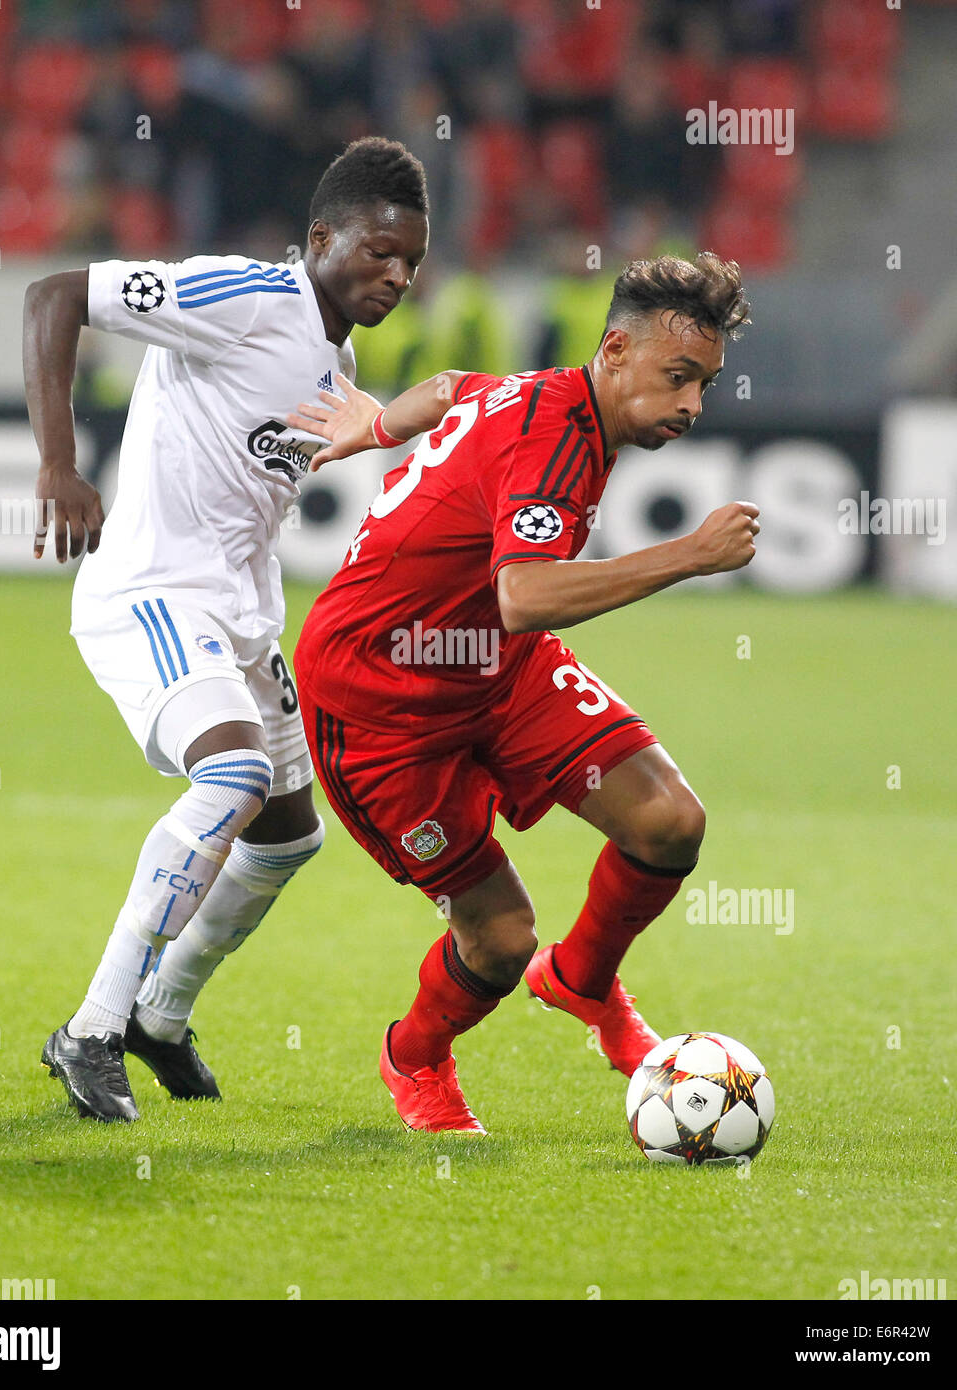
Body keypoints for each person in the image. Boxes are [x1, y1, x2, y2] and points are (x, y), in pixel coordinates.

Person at [289, 252, 759, 1133]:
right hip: (378, 696)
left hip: (494, 663)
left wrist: (377, 425)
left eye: (705, 384)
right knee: (499, 939)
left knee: (668, 823)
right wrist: (688, 555)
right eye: (678, 377)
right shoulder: (558, 442)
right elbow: (526, 595)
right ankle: (415, 1056)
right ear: (615, 350)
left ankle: (580, 979)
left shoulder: (542, 390)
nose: (693, 406)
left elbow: (449, 385)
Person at [23, 137, 430, 1122]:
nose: (397, 275)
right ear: (321, 235)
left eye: (411, 262)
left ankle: (160, 1015)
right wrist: (60, 465)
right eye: (379, 251)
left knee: (291, 840)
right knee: (236, 775)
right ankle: (91, 1028)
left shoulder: (336, 353)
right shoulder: (245, 296)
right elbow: (52, 295)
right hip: (154, 593)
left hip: (242, 616)